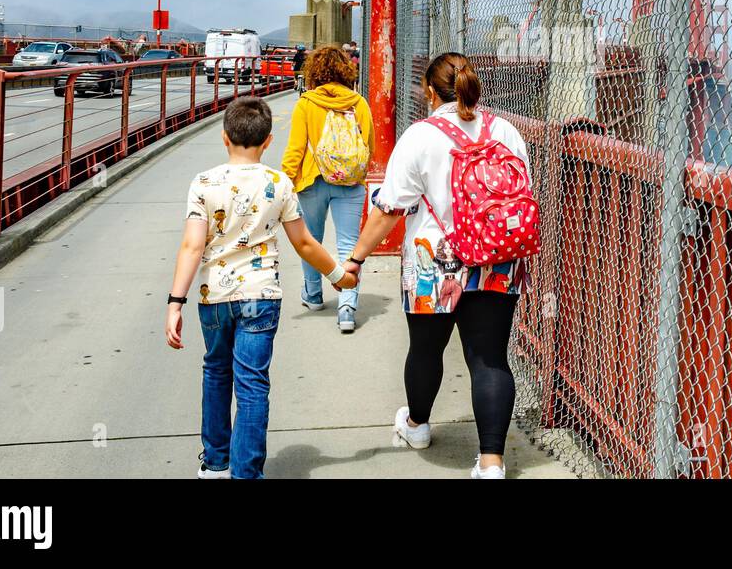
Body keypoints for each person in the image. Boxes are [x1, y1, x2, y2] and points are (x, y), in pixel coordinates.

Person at [345, 52, 530, 479]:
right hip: (498, 258)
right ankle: (491, 463)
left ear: (429, 92)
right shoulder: (506, 131)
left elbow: (389, 209)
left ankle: (417, 425)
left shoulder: (420, 136)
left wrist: (355, 259)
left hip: (434, 262)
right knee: (489, 359)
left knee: (426, 350)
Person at [165, 96, 357, 479]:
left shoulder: (203, 183)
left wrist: (175, 302)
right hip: (261, 297)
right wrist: (339, 276)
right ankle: (246, 473)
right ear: (268, 141)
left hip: (214, 299)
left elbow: (192, 245)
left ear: (224, 138)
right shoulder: (279, 183)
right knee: (252, 384)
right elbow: (304, 243)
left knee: (216, 372)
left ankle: (216, 462)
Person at [281, 45, 373, 332]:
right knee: (349, 245)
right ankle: (347, 308)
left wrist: (283, 183)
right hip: (349, 181)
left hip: (312, 180)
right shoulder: (358, 102)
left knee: (311, 240)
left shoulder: (307, 103)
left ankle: (313, 294)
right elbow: (368, 144)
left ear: (314, 73)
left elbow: (295, 150)